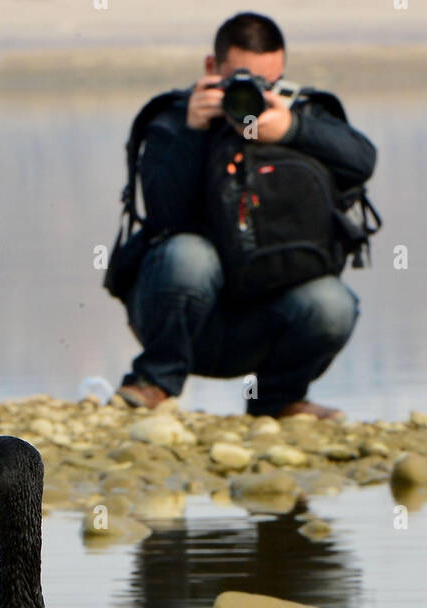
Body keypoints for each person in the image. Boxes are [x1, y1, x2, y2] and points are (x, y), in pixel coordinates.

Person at [117, 11, 377, 420]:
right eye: (243, 82)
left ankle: (277, 400)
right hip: (181, 318)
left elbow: (363, 159)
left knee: (333, 304)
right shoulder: (174, 119)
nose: (255, 94)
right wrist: (191, 132)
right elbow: (164, 215)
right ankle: (153, 382)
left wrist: (293, 130)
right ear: (211, 68)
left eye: (267, 82)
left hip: (266, 321)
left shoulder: (300, 115)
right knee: (188, 254)